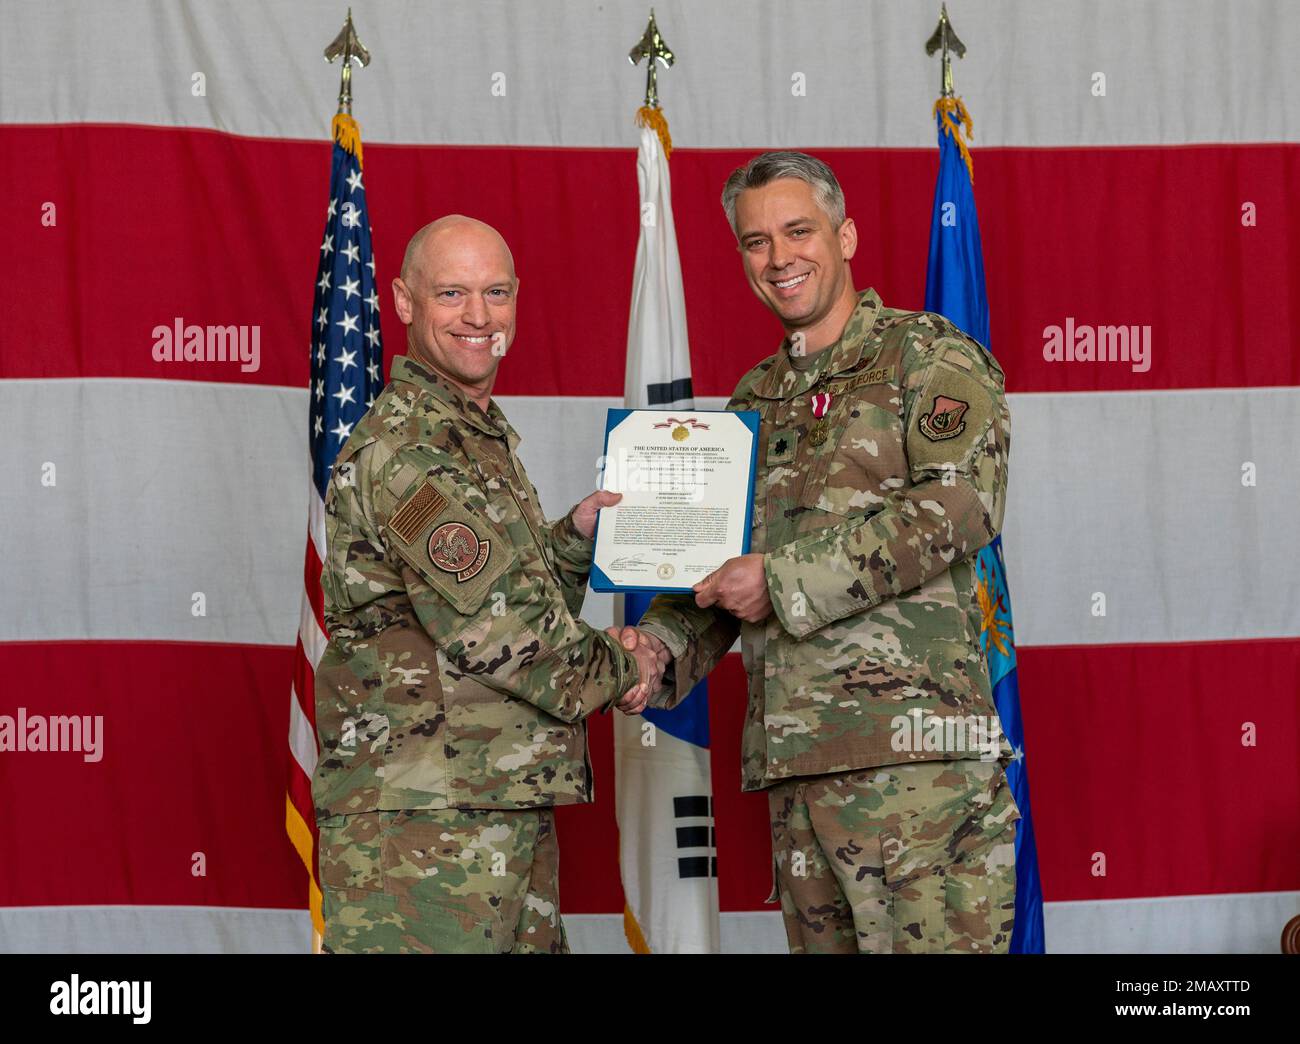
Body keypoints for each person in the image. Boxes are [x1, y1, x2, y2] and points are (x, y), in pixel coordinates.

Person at [611, 151, 1020, 953]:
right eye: (756, 242)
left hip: (917, 774)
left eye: (798, 231)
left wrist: (784, 577)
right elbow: (718, 574)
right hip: (795, 773)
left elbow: (959, 505)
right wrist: (657, 650)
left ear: (846, 235)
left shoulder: (927, 357)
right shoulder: (747, 404)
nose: (779, 257)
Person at [312, 215, 662, 953]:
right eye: (452, 293)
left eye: (495, 292)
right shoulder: (406, 449)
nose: (479, 316)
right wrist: (636, 665)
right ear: (404, 302)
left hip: (489, 801)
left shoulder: (473, 433)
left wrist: (570, 542)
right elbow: (508, 633)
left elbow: (494, 604)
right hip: (422, 828)